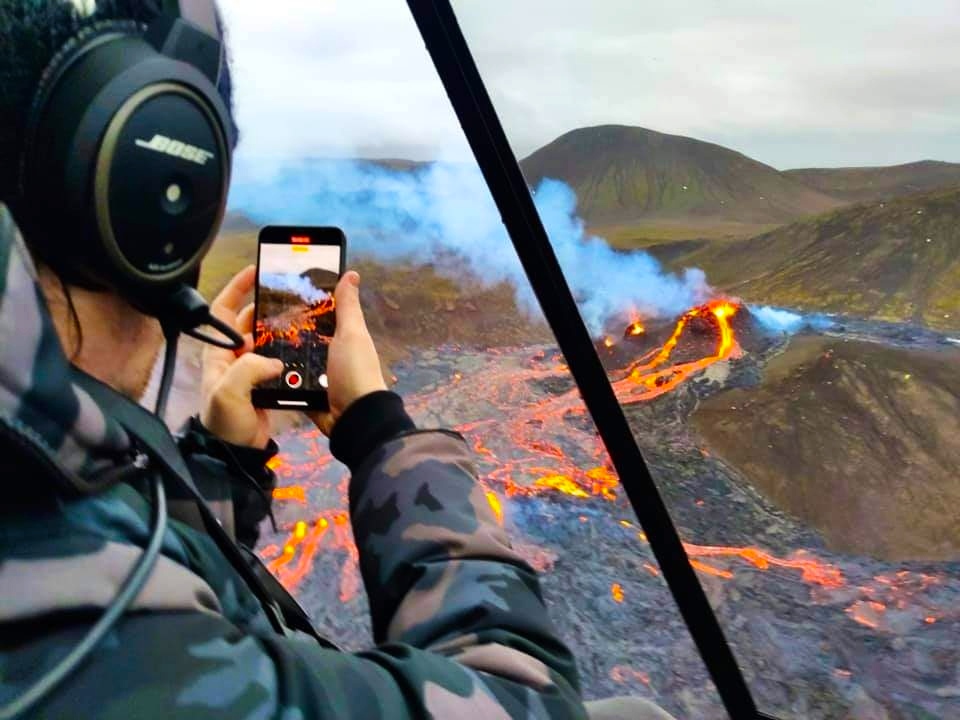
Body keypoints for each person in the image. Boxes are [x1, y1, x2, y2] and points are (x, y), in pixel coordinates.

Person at [0, 2, 675, 719]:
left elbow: (126, 547)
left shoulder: (37, 500)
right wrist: (381, 432)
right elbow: (523, 698)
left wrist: (220, 462)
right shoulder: (90, 642)